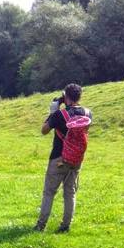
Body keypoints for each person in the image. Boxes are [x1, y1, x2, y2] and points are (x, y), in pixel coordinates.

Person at [34, 83, 91, 233]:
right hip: (77, 158)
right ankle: (65, 226)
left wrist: (53, 111)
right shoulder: (87, 113)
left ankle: (41, 225)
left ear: (65, 97)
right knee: (70, 192)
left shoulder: (60, 115)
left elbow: (44, 130)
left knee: (49, 192)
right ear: (80, 96)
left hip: (59, 158)